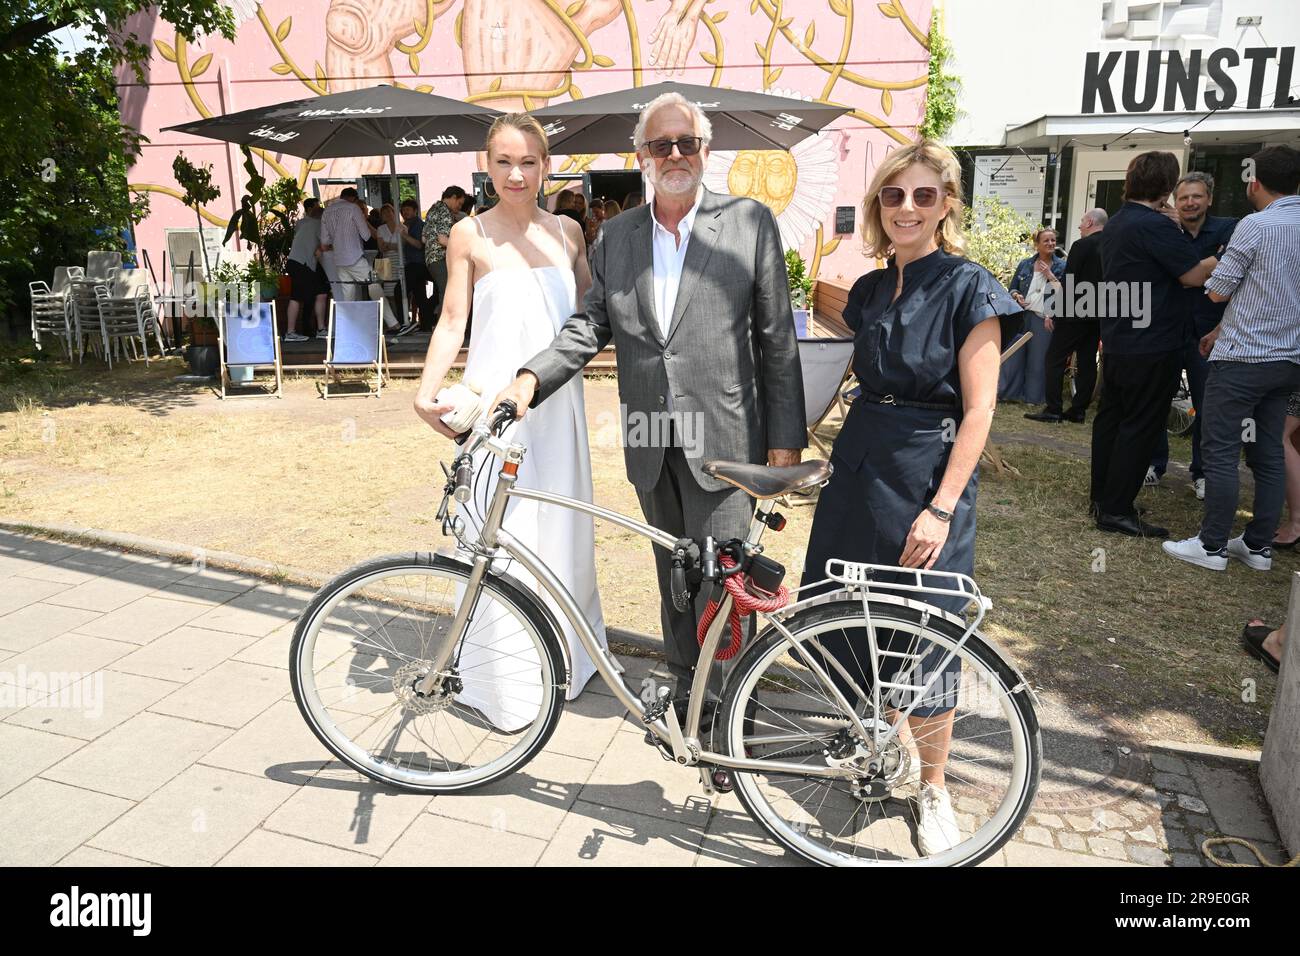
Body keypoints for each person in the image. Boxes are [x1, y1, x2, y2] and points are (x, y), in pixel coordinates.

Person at [491, 91, 806, 721]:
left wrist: (785, 439)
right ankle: (689, 694)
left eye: (686, 142)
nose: (675, 154)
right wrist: (530, 377)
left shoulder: (748, 223)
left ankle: (723, 723)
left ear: (705, 151)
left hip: (724, 440)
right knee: (676, 580)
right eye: (661, 144)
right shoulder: (619, 238)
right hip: (651, 436)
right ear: (641, 156)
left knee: (724, 587)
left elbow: (776, 337)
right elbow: (591, 326)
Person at [799, 140, 1021, 855]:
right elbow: (836, 374)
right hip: (860, 464)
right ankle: (874, 747)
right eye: (894, 195)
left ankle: (933, 790)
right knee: (851, 614)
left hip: (928, 473)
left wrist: (942, 506)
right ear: (878, 205)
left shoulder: (970, 285)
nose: (907, 208)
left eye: (924, 196)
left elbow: (982, 410)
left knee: (926, 635)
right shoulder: (867, 288)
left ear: (946, 204)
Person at [412, 113, 607, 724]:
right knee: (502, 534)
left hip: (559, 408)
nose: (516, 173)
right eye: (503, 161)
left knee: (562, 526)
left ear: (546, 165)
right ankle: (506, 676)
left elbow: (592, 317)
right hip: (496, 408)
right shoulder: (468, 235)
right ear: (486, 164)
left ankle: (567, 657)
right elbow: (451, 320)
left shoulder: (570, 232)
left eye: (528, 161)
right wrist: (425, 390)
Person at [1163, 144, 1300, 571]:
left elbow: (1218, 289)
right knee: (1268, 450)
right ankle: (1258, 546)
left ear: (1254, 182)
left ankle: (1212, 546)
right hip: (1289, 360)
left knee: (1221, 449)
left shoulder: (1255, 226)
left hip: (1243, 359)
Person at [1090, 151, 1219, 538]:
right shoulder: (1155, 226)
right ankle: (1116, 509)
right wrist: (1228, 254)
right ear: (1166, 187)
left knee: (1111, 421)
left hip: (1118, 338)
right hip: (1151, 342)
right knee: (1140, 426)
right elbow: (1193, 276)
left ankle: (1105, 498)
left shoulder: (1116, 223)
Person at [1146, 172, 1237, 495]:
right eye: (1183, 197)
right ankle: (1154, 464)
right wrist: (1212, 261)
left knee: (1207, 406)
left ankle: (1201, 472)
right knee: (1157, 400)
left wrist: (1192, 268)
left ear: (1209, 199)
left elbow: (1232, 269)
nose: (1189, 203)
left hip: (1209, 333)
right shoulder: (1166, 230)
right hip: (1168, 329)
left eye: (1196, 196)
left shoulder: (1229, 228)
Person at [1026, 209, 1106, 423]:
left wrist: (1055, 312)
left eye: (1081, 222)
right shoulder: (1112, 244)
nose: (1079, 226)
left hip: (1074, 313)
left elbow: (1069, 282)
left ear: (1089, 222)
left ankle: (1053, 408)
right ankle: (1079, 410)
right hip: (1098, 313)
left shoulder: (1082, 245)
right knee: (1088, 362)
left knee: (1054, 359)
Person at [1001, 227, 1064, 406]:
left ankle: (1033, 398)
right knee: (1014, 356)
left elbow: (1064, 293)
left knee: (1038, 360)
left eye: (1053, 240)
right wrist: (1016, 296)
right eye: (1046, 241)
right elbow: (1012, 287)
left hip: (1043, 317)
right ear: (1037, 245)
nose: (1051, 243)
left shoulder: (1061, 266)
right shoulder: (1025, 264)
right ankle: (1010, 394)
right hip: (1021, 316)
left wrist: (1050, 276)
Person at [284, 198, 328, 342]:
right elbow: (324, 246)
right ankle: (291, 332)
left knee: (317, 293)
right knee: (299, 296)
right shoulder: (318, 225)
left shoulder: (301, 223)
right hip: (303, 264)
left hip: (295, 262)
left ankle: (318, 329)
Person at [423, 185, 467, 327]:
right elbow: (443, 239)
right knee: (447, 293)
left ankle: (442, 325)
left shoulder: (433, 209)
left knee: (445, 292)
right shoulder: (445, 212)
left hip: (430, 258)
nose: (459, 207)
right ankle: (443, 326)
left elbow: (423, 238)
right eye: (459, 203)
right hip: (440, 258)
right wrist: (464, 248)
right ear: (453, 197)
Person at [320, 187, 373, 302]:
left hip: (339, 260)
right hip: (355, 257)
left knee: (348, 296)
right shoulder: (353, 208)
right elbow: (366, 235)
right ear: (353, 198)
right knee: (374, 286)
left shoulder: (327, 211)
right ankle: (393, 320)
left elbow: (324, 243)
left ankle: (348, 320)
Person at [377, 203, 417, 337]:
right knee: (388, 292)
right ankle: (394, 320)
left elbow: (403, 246)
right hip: (385, 261)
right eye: (384, 213)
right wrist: (392, 246)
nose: (387, 215)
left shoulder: (402, 227)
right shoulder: (381, 229)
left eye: (389, 212)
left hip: (400, 260)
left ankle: (403, 318)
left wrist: (390, 245)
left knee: (401, 290)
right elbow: (381, 248)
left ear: (394, 213)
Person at [398, 198, 429, 326]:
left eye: (408, 210)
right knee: (419, 294)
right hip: (413, 263)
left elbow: (418, 244)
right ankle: (425, 324)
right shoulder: (407, 225)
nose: (405, 213)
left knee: (399, 290)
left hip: (416, 263)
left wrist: (404, 235)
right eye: (403, 210)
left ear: (415, 211)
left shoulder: (418, 225)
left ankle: (402, 322)